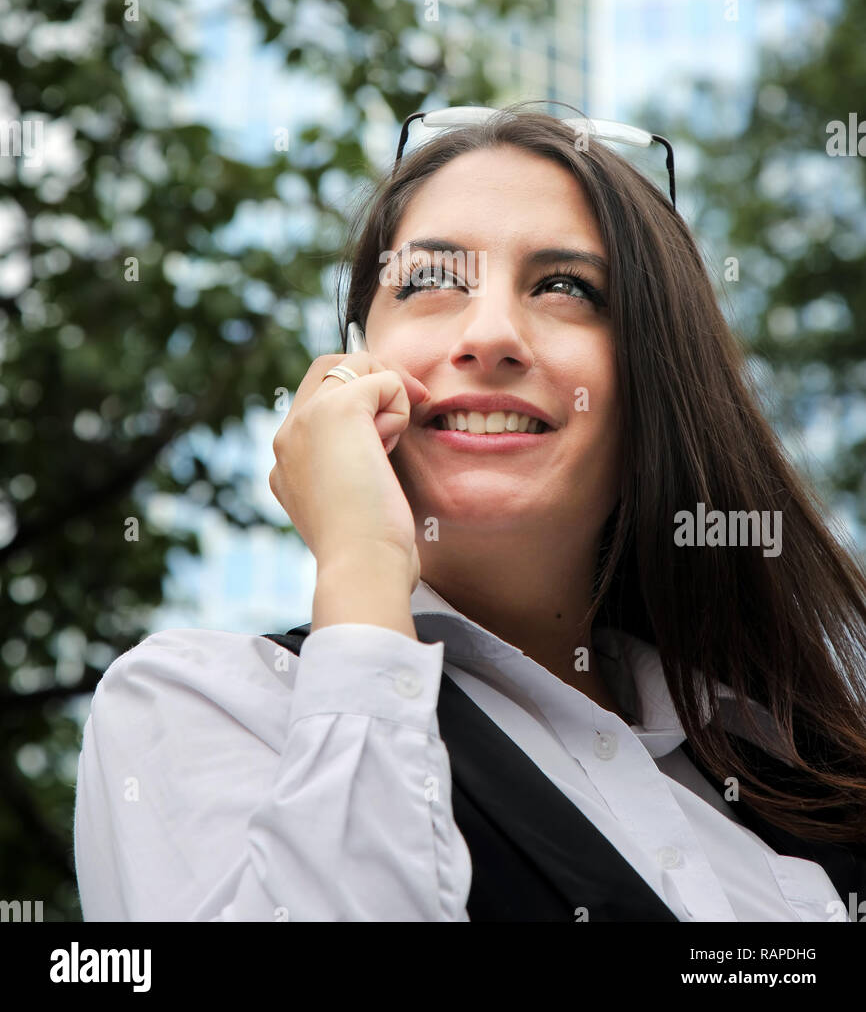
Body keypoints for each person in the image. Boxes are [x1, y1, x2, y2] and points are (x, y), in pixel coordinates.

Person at [73, 105, 866, 922]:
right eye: (429, 281)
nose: (489, 336)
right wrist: (362, 568)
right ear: (352, 362)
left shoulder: (798, 771)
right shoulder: (203, 708)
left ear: (654, 381)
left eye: (565, 287)